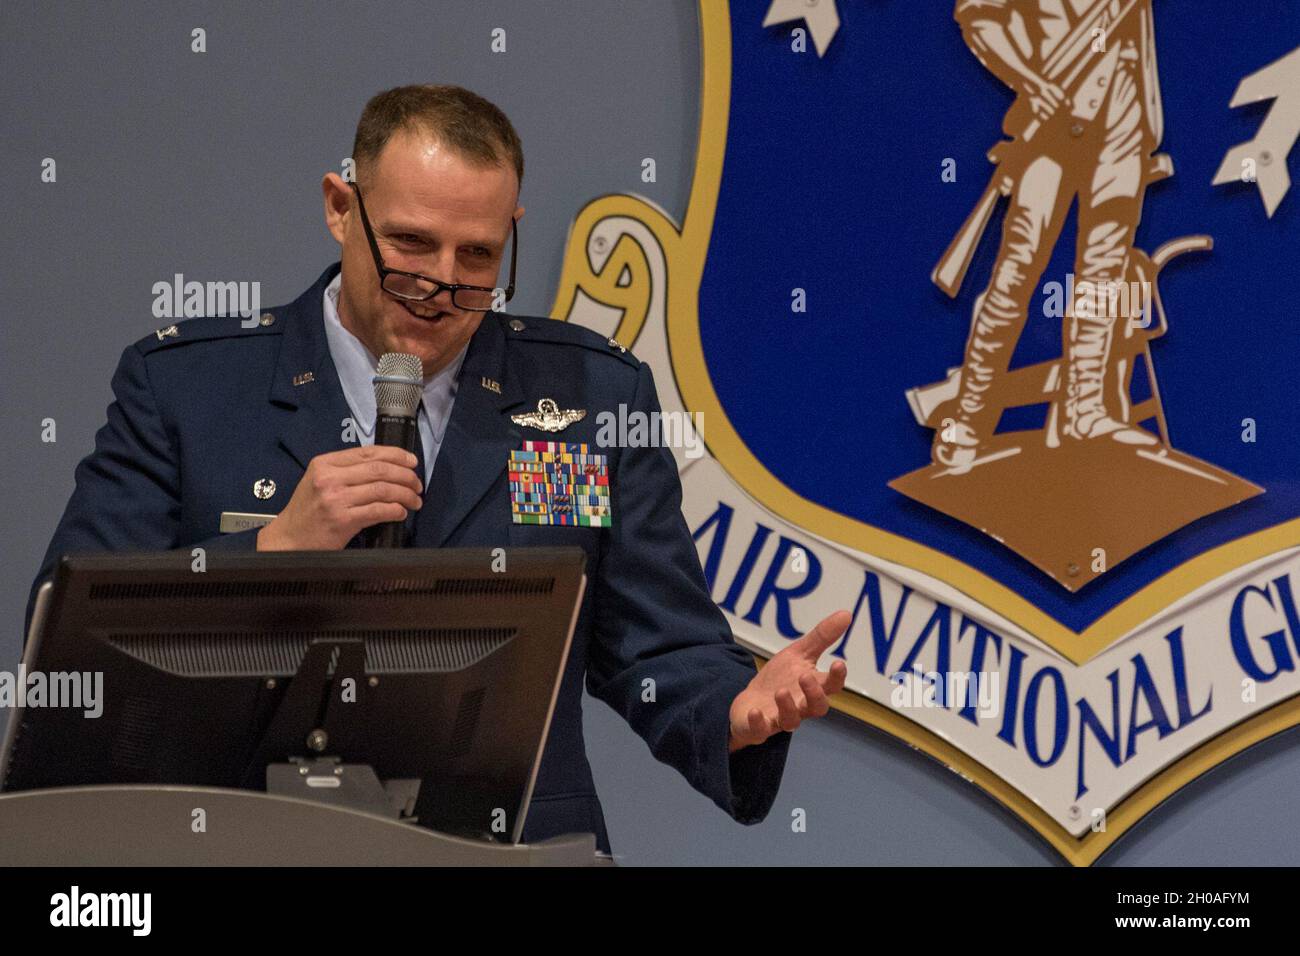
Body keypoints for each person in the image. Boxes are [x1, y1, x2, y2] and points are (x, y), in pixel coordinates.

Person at [24, 84, 849, 852]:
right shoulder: (189, 386)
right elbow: (72, 644)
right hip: (238, 842)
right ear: (341, 209)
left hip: (506, 847)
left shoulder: (592, 396)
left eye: (478, 256)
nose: (441, 285)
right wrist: (274, 554)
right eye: (412, 243)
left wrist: (732, 709)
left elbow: (657, 647)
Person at [935, 0, 1164, 470]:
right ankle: (970, 421)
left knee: (1102, 276)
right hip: (1053, 119)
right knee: (1015, 275)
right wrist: (1030, 83)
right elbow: (978, 15)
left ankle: (1086, 412)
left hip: (1123, 117)